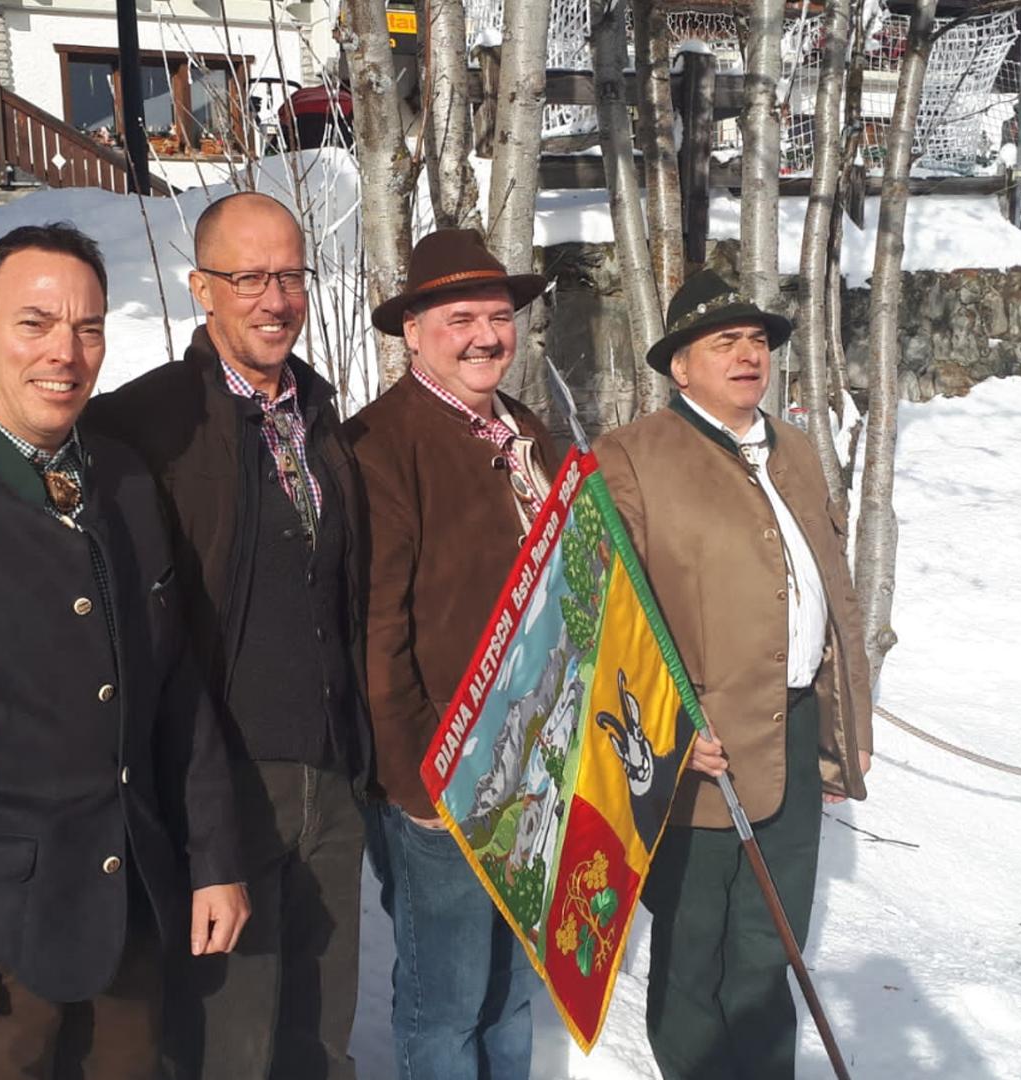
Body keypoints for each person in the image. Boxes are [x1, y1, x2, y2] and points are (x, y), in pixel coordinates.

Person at [0, 223, 250, 1080]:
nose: (65, 354)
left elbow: (175, 686)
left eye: (88, 328)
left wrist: (214, 856)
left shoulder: (127, 480)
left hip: (131, 921)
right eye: (34, 324)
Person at [82, 191, 372, 1080]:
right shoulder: (151, 424)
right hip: (222, 785)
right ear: (202, 288)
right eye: (248, 278)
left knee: (320, 1039)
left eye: (290, 276)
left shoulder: (318, 416)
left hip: (331, 778)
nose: (275, 300)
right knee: (226, 1047)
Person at [590, 269, 874, 1079]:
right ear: (680, 366)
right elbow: (611, 616)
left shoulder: (796, 450)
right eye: (725, 343)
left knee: (770, 943)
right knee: (694, 952)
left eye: (757, 341)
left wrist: (846, 729)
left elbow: (835, 595)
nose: (749, 355)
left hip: (794, 732)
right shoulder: (632, 457)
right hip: (698, 752)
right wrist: (670, 730)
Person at [344, 228, 558, 1080]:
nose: (485, 337)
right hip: (445, 773)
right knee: (447, 1002)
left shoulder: (525, 428)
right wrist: (416, 778)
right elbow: (376, 630)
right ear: (414, 331)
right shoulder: (382, 444)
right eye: (460, 319)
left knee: (511, 988)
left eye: (498, 317)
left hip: (533, 758)